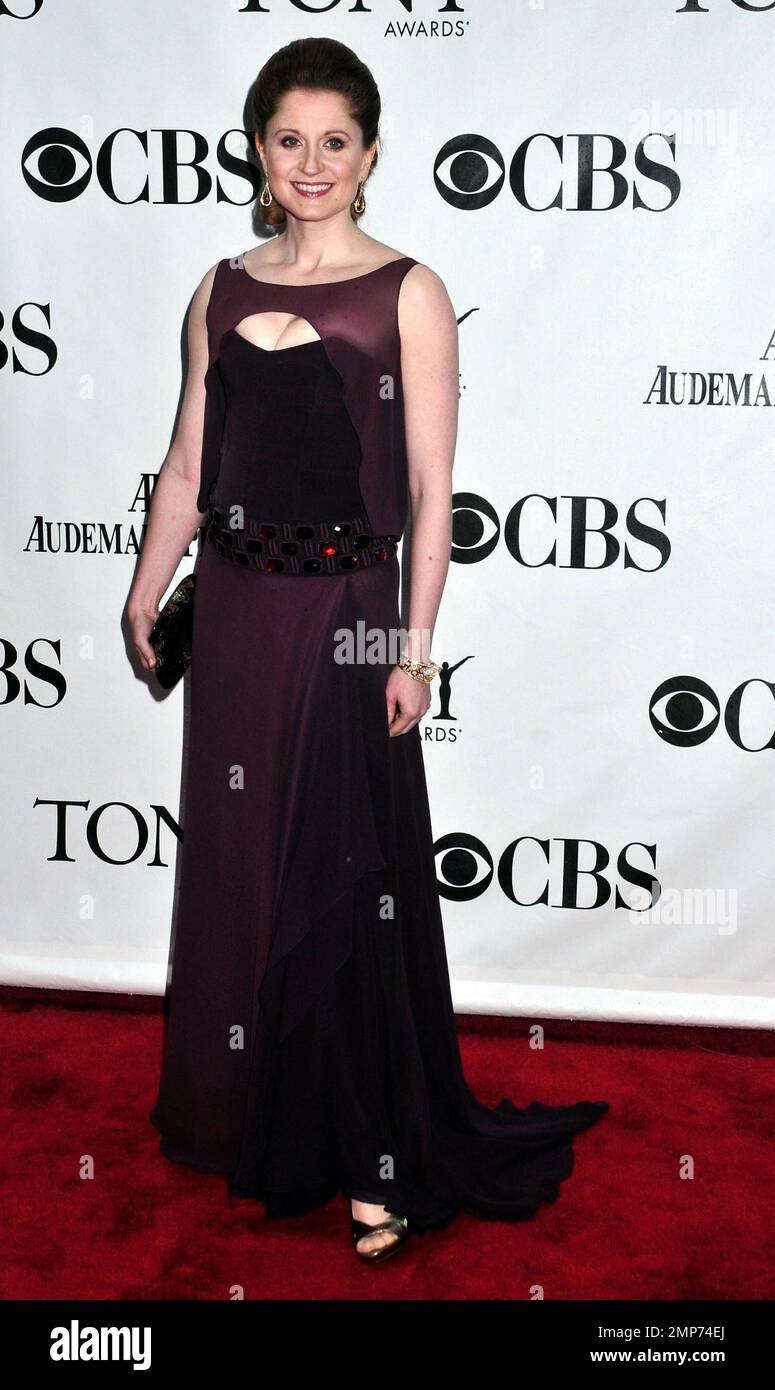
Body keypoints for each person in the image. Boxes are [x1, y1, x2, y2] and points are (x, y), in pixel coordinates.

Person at [127, 35, 609, 1264]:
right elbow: (190, 462)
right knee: (242, 869)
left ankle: (371, 1158)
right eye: (288, 138)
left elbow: (434, 491)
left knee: (340, 877)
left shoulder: (407, 291)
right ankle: (244, 1117)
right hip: (232, 617)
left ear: (372, 152)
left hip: (344, 620)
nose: (311, 162)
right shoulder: (219, 287)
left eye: (335, 140)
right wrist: (146, 585)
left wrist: (414, 647)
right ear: (255, 146)